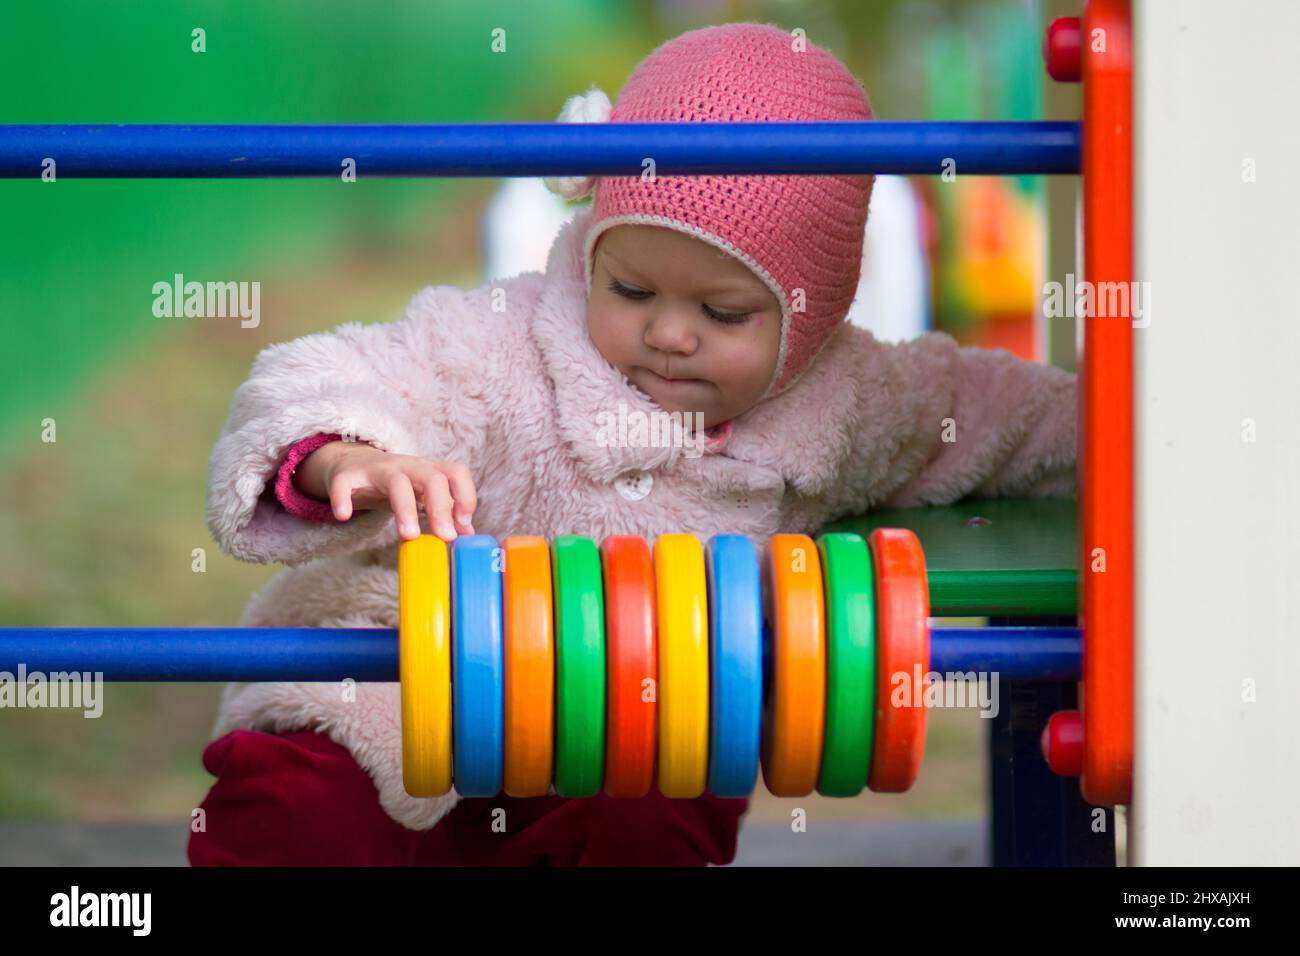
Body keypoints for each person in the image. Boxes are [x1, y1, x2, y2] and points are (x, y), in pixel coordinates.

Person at [190, 22, 1076, 867]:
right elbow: (335, 370)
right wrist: (350, 454)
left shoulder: (849, 404)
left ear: (811, 318)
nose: (669, 335)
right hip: (402, 695)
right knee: (295, 809)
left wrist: (1149, 444)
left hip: (636, 725)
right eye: (632, 287)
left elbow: (1003, 413)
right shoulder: (508, 344)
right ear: (589, 251)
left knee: (658, 803)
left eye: (722, 313)